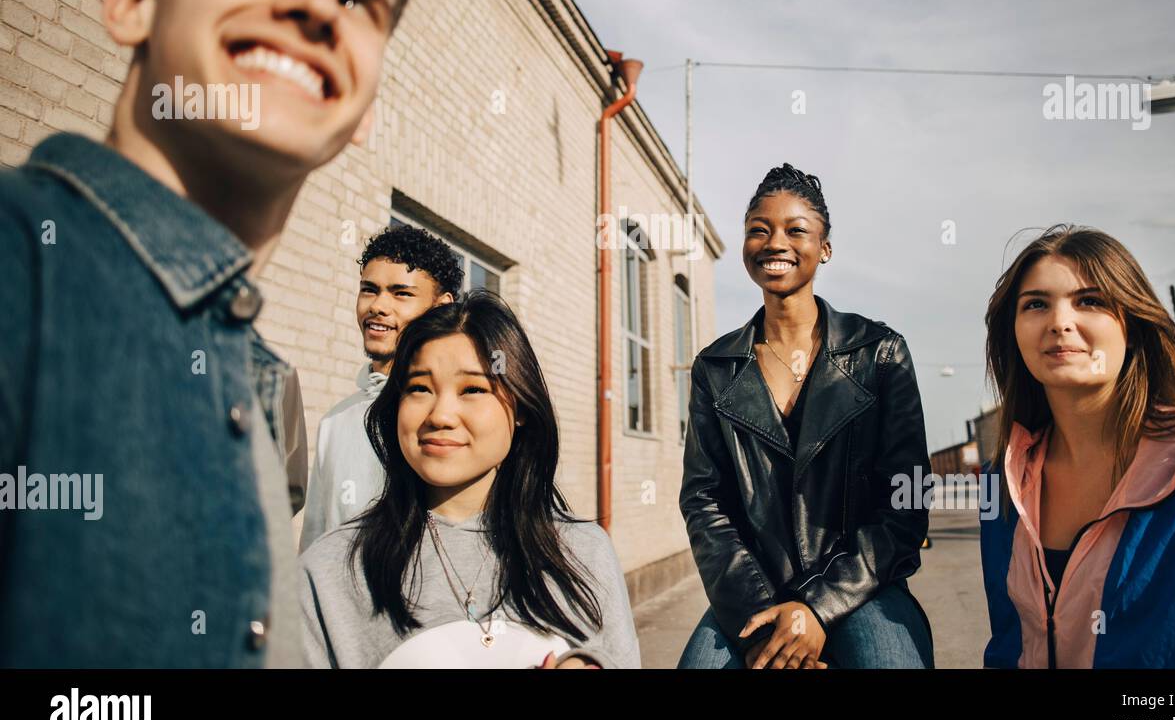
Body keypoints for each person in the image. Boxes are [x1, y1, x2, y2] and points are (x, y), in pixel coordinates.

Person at [0, 0, 429, 666]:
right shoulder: (20, 265)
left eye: (356, 0)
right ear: (136, 2)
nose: (315, 6)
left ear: (365, 111)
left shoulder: (255, 374)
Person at [980, 225, 1175, 668]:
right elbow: (1008, 642)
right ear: (1013, 332)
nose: (1059, 322)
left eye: (1089, 301)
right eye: (1035, 304)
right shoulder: (1006, 480)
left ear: (1131, 325)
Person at [677, 163, 935, 669]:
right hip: (753, 597)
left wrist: (816, 607)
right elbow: (704, 502)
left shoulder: (880, 353)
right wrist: (760, 615)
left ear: (825, 248)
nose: (776, 242)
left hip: (862, 588)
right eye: (759, 229)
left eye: (796, 230)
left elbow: (905, 504)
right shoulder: (715, 367)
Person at [300, 291, 641, 668]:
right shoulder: (329, 571)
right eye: (418, 388)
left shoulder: (583, 552)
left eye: (473, 389)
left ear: (521, 405)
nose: (441, 415)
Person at [300, 224, 461, 551]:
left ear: (442, 306)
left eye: (401, 293)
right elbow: (315, 539)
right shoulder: (336, 420)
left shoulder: (454, 417)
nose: (378, 306)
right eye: (369, 289)